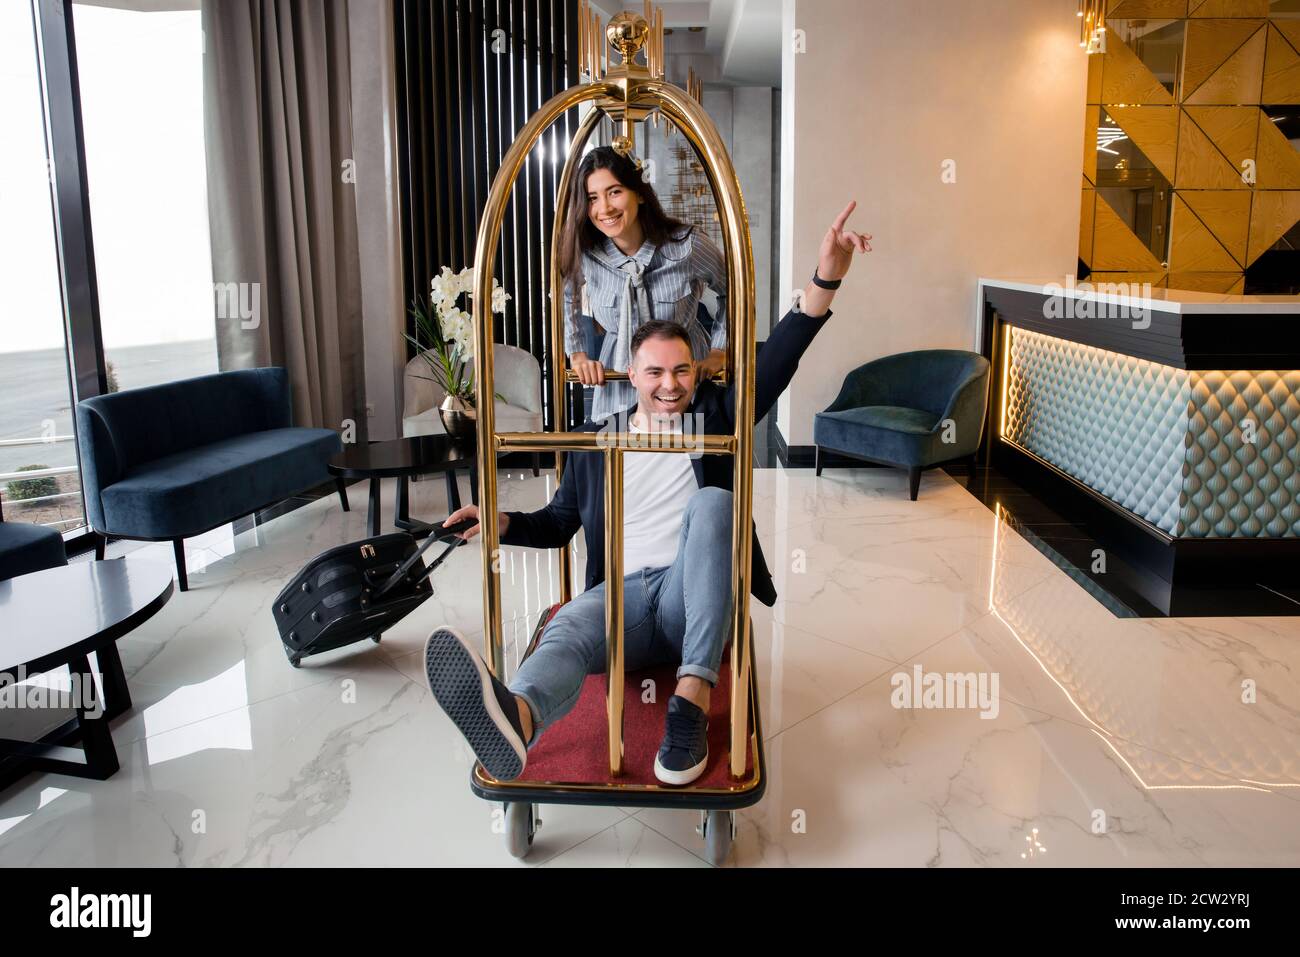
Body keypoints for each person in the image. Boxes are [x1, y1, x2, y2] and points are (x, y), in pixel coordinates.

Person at [424, 201, 871, 785]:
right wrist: (499, 520)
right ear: (631, 376)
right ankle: (519, 715)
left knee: (714, 503)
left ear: (696, 374)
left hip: (694, 598)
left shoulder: (712, 419)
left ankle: (688, 708)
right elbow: (558, 523)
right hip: (622, 602)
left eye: (681, 371)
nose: (669, 385)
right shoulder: (597, 442)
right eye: (655, 372)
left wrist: (825, 277)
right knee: (568, 628)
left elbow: (778, 359)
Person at [559, 145, 728, 423]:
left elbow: (733, 292)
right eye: (592, 198)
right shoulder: (586, 254)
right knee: (621, 463)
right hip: (618, 383)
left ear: (638, 193)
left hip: (682, 386)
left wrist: (719, 350)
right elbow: (566, 300)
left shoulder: (687, 245)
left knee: (686, 461)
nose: (604, 208)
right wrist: (577, 355)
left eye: (614, 192)